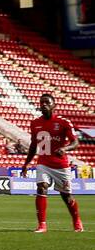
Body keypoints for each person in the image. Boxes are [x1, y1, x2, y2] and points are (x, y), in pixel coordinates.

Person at [21, 92, 83, 233]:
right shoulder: (35, 123)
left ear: (54, 105)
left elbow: (75, 142)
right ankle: (42, 224)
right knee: (41, 187)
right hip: (43, 163)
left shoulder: (63, 122)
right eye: (41, 102)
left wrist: (65, 148)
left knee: (66, 196)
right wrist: (26, 164)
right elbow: (33, 145)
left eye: (47, 102)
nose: (43, 105)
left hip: (61, 166)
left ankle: (76, 220)